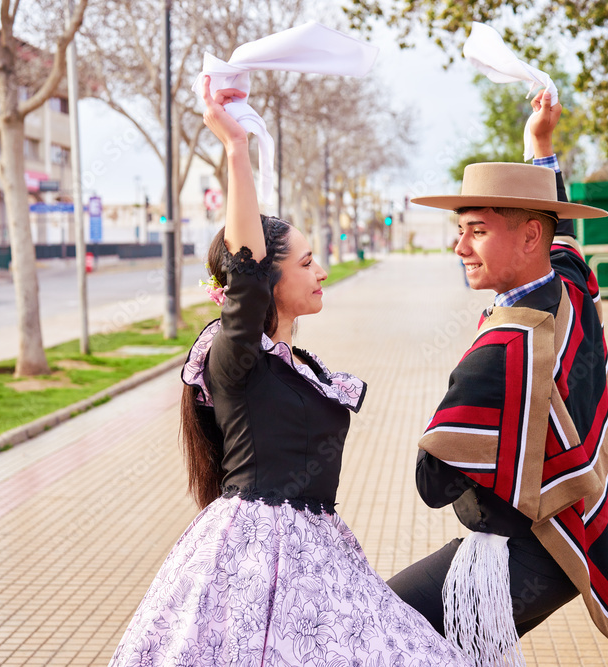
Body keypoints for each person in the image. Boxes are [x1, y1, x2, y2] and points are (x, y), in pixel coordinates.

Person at [107, 77, 472, 667]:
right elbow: (244, 268)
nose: (322, 270)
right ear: (266, 283)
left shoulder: (294, 363)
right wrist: (235, 149)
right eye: (307, 262)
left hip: (321, 557)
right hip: (253, 564)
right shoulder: (233, 354)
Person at [386, 91, 608, 663]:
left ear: (527, 239)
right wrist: (539, 142)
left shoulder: (501, 349)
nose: (459, 246)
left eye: (476, 230)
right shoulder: (567, 286)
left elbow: (432, 485)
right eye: (460, 230)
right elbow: (557, 228)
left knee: (381, 624)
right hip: (582, 539)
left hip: (527, 553)